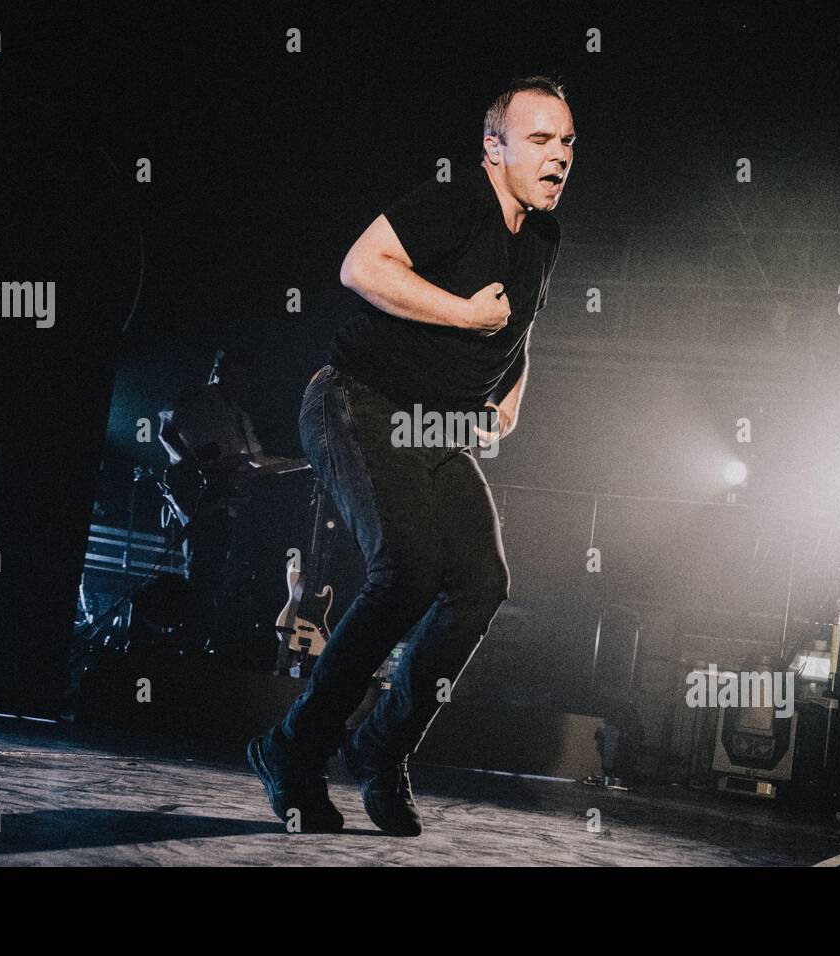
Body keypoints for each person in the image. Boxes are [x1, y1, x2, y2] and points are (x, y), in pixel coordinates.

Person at [247, 76, 572, 834]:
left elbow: (522, 329)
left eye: (566, 143)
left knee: (482, 583)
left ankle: (380, 749)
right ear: (493, 149)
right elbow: (361, 266)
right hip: (357, 402)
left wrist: (509, 397)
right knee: (409, 568)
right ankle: (292, 750)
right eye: (539, 140)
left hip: (438, 428)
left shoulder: (546, 238)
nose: (558, 157)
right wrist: (463, 313)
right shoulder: (455, 199)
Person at [158, 360, 284, 654]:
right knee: (203, 561)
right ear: (221, 371)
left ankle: (200, 637)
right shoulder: (196, 397)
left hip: (224, 498)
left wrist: (296, 464)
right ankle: (189, 639)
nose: (243, 381)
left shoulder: (239, 415)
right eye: (237, 374)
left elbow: (255, 458)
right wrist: (197, 467)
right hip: (199, 492)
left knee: (214, 566)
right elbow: (166, 432)